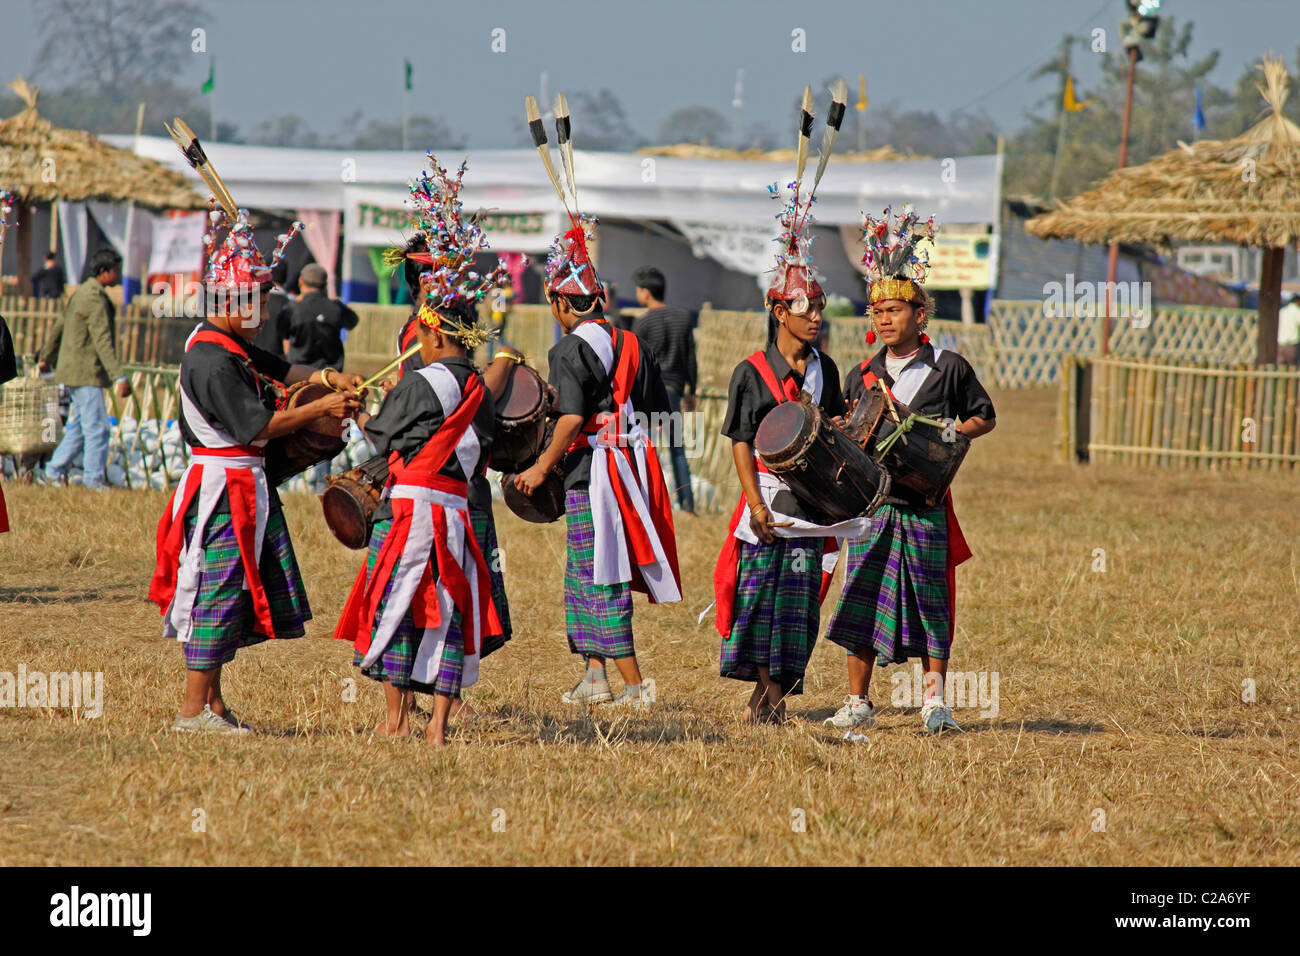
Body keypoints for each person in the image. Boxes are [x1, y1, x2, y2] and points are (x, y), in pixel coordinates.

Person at [150, 210, 362, 734]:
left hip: (243, 487)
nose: (267, 314)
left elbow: (282, 369)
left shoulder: (224, 342)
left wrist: (330, 376)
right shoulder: (212, 361)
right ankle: (192, 711)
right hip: (224, 491)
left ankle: (214, 705)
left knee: (231, 592)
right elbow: (259, 427)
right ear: (233, 303)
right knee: (217, 593)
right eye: (260, 303)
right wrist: (319, 409)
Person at [823, 206, 996, 734]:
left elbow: (983, 417)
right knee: (862, 597)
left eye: (895, 310)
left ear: (920, 314)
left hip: (925, 504)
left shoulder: (949, 367)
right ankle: (858, 702)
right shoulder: (862, 374)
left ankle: (934, 704)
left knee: (930, 599)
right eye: (878, 312)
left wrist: (945, 439)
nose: (884, 319)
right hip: (875, 506)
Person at [514, 216, 680, 708]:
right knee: (586, 571)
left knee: (598, 574)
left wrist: (541, 466)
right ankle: (594, 675)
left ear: (561, 303)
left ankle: (633, 686)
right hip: (630, 471)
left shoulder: (568, 349)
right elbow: (658, 415)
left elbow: (570, 418)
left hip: (593, 475)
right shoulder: (633, 343)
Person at [712, 180, 853, 724]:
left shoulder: (827, 369)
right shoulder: (750, 372)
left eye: (819, 307)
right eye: (805, 307)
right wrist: (754, 505)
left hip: (812, 506)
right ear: (779, 311)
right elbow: (741, 444)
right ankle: (764, 701)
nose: (816, 316)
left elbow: (835, 429)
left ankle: (766, 704)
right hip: (768, 503)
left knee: (798, 608)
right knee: (761, 604)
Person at [37, 247, 131, 489]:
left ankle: (54, 470)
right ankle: (93, 479)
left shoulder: (81, 293)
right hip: (85, 372)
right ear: (103, 272)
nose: (118, 275)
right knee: (98, 427)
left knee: (78, 427)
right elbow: (102, 340)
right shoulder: (93, 299)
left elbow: (59, 323)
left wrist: (47, 355)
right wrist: (118, 376)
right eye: (115, 271)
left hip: (73, 371)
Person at [632, 265, 698, 514]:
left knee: (647, 448)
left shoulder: (643, 323)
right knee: (677, 450)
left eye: (638, 289)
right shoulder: (683, 319)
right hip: (676, 391)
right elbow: (691, 357)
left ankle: (650, 503)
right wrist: (692, 390)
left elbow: (639, 364)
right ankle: (687, 504)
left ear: (646, 293)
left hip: (653, 393)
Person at [284, 262, 359, 369]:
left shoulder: (292, 308)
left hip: (298, 374)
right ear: (325, 286)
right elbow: (353, 322)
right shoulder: (336, 307)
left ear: (301, 282)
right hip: (330, 377)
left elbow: (283, 335)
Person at [1278, 292, 1300, 366]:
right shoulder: (1297, 311)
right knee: (1292, 366)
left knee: (1280, 365)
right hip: (1292, 344)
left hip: (1280, 343)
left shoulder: (1282, 311)